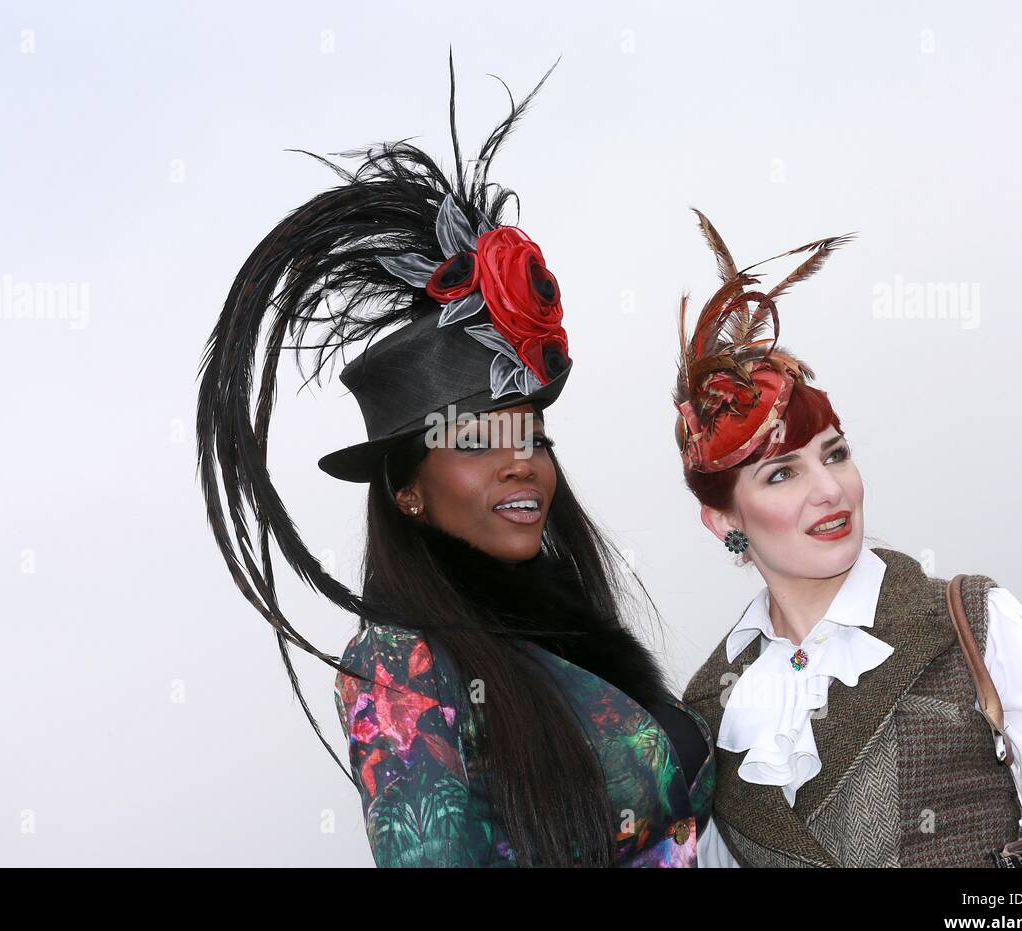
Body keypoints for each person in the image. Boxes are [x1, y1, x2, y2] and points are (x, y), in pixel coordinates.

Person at [196, 55, 712, 867]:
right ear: (406, 490)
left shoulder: (572, 625)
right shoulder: (399, 668)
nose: (521, 464)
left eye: (531, 436)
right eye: (475, 438)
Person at [673, 210, 1022, 867]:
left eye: (834, 454)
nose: (829, 489)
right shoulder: (706, 712)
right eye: (782, 473)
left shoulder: (973, 620)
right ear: (724, 521)